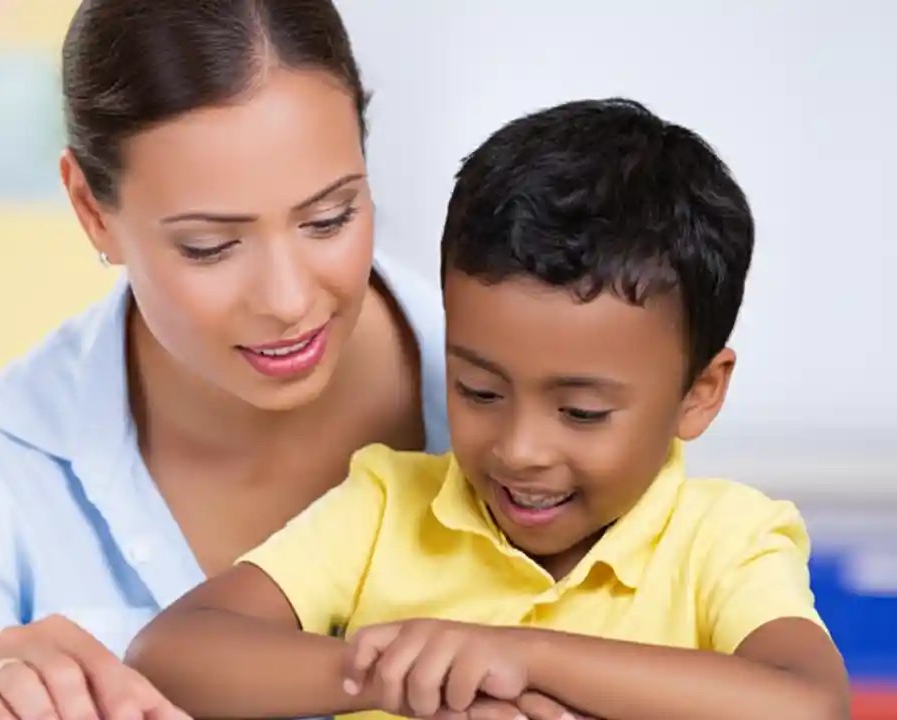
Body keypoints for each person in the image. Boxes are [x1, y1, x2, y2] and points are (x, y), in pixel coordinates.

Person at [126, 98, 851, 720]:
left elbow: (806, 704)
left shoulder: (727, 539)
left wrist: (522, 655)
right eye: (479, 391)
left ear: (700, 394)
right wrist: (405, 676)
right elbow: (171, 652)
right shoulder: (382, 509)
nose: (519, 449)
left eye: (582, 412)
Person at [0, 1, 470, 718]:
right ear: (90, 208)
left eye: (329, 218)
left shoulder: (549, 407)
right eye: (210, 246)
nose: (289, 300)